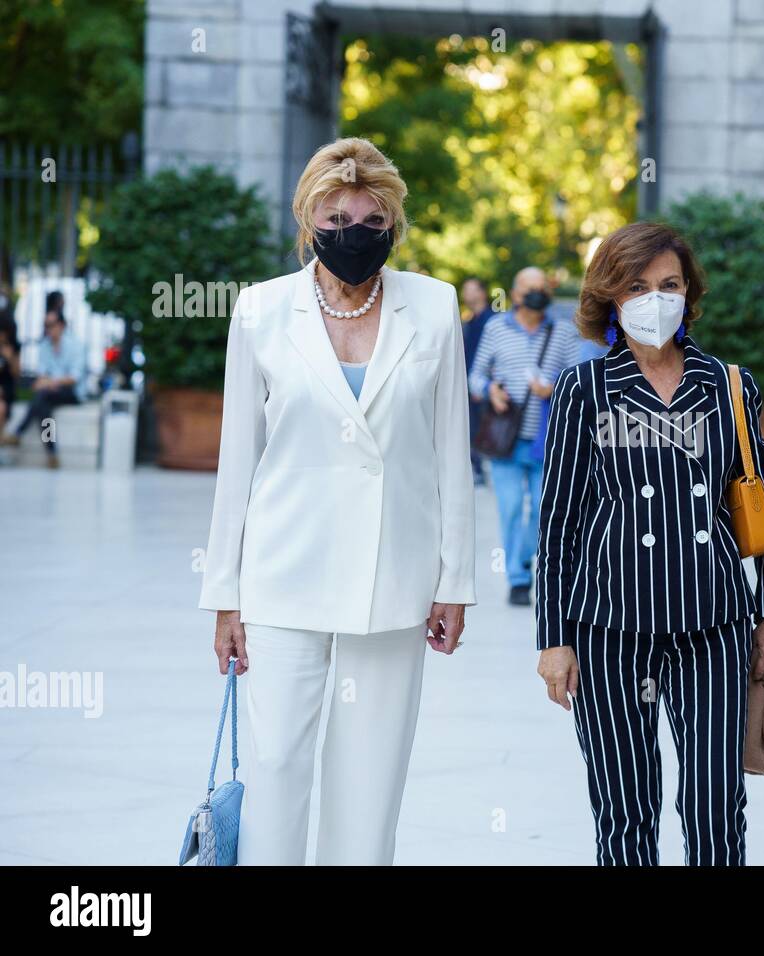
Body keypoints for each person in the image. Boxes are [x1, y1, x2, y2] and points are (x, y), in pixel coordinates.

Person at [198, 137, 477, 865]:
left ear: (394, 224)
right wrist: (224, 594)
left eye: (370, 218)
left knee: (369, 786)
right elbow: (238, 462)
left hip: (395, 584)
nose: (353, 232)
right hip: (280, 582)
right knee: (276, 775)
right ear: (307, 218)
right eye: (336, 216)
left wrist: (455, 583)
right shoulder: (260, 311)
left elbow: (452, 451)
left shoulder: (436, 306)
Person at [534, 221, 764, 866]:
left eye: (670, 284)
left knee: (715, 805)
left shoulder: (727, 386)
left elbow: (762, 505)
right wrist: (554, 637)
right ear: (611, 299)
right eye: (639, 286)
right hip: (609, 628)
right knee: (624, 807)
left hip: (712, 625)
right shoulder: (584, 390)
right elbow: (559, 523)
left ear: (688, 292)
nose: (657, 298)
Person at [468, 266, 581, 606]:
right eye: (529, 287)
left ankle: (526, 555)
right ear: (515, 294)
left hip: (547, 440)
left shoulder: (563, 332)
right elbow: (474, 376)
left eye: (542, 286)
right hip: (504, 440)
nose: (537, 293)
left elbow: (580, 380)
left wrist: (555, 388)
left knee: (545, 511)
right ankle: (518, 578)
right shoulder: (496, 328)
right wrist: (491, 391)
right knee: (513, 508)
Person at [3, 295, 86, 467]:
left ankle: (18, 433)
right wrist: (46, 382)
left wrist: (50, 382)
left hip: (72, 392)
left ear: (61, 326)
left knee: (42, 396)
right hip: (50, 392)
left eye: (51, 326)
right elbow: (42, 374)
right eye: (45, 326)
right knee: (43, 404)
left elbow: (74, 378)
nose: (48, 330)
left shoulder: (75, 345)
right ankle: (52, 453)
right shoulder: (44, 346)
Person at [460, 276, 494, 484]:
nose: (466, 295)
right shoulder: (470, 321)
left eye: (470, 290)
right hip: (468, 381)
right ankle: (477, 466)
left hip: (483, 385)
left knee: (481, 427)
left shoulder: (491, 320)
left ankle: (481, 468)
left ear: (481, 292)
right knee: (472, 426)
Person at [0, 309, 20, 441]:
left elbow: (17, 373)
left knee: (2, 408)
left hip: (6, 387)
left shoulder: (13, 346)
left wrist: (10, 357)